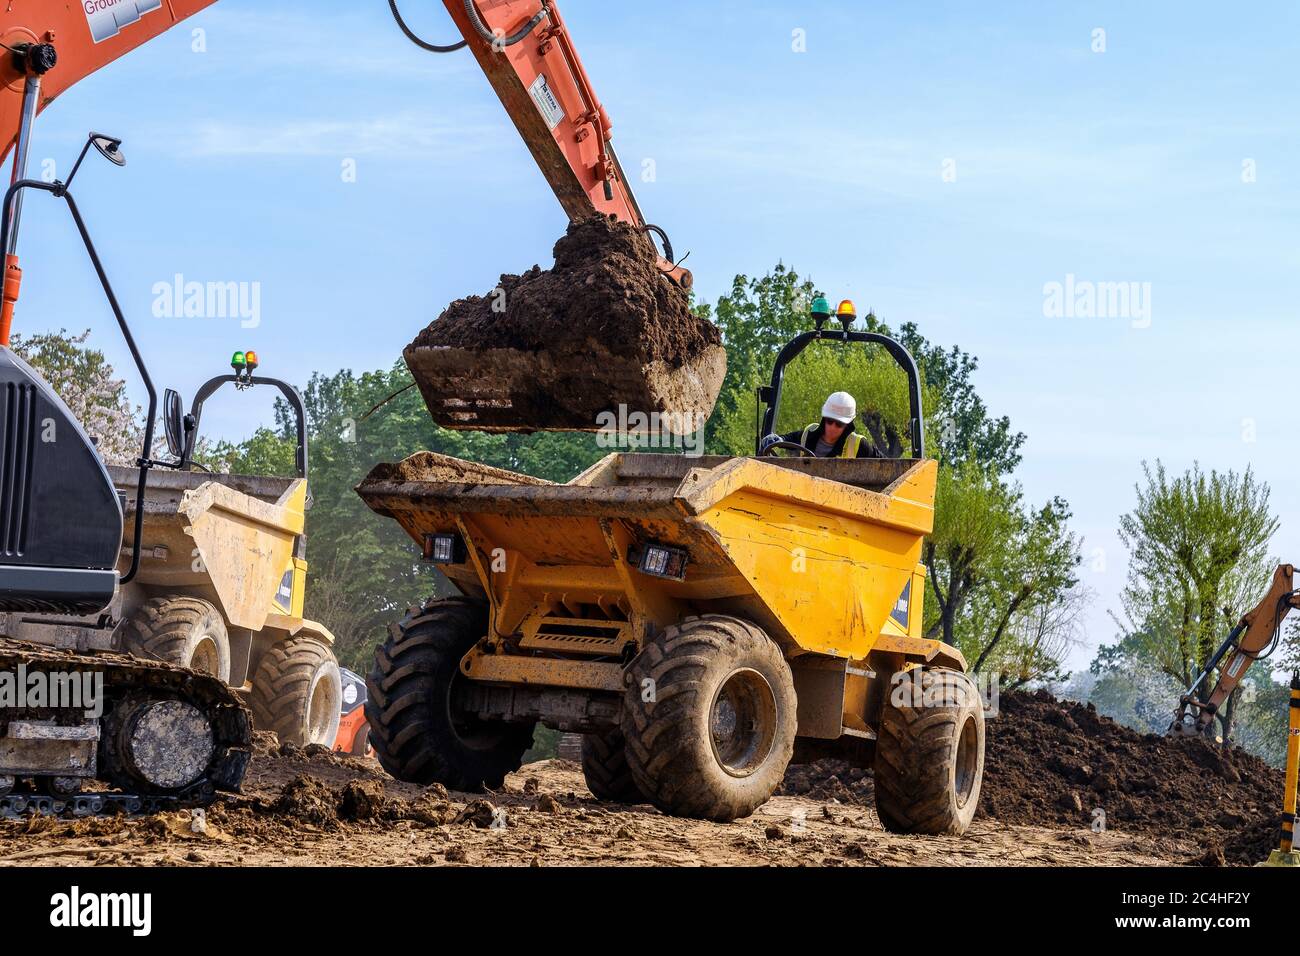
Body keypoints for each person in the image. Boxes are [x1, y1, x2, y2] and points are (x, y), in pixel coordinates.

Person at [771, 391, 882, 458]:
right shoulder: (808, 434)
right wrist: (776, 440)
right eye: (829, 421)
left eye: (839, 424)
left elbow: (887, 466)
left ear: (847, 425)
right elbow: (786, 439)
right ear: (824, 419)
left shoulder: (858, 444)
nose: (832, 427)